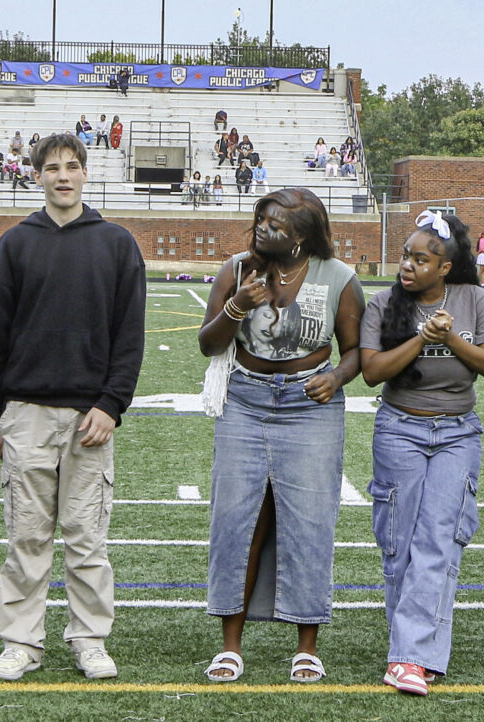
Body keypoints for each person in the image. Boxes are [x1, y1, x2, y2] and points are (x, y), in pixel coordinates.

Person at [0, 133, 145, 682]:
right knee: (26, 535)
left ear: (86, 173)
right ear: (37, 176)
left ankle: (90, 639)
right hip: (25, 411)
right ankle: (22, 642)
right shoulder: (15, 244)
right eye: (52, 168)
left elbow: (129, 337)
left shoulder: (117, 243)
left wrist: (112, 405)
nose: (63, 176)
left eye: (72, 166)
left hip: (90, 417)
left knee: (86, 536)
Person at [196, 188, 363, 685]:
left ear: (304, 234)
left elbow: (355, 351)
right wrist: (237, 307)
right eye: (261, 219)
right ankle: (230, 645)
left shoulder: (340, 278)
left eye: (277, 224)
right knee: (235, 519)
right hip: (244, 400)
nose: (264, 229)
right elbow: (208, 343)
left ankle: (306, 645)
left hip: (309, 405)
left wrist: (335, 378)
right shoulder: (236, 270)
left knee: (309, 522)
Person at [358, 211, 484, 695]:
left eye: (421, 259)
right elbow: (373, 372)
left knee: (439, 543)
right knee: (399, 546)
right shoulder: (383, 303)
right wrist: (423, 336)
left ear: (445, 267)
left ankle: (409, 658)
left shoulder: (472, 298)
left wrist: (452, 338)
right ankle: (416, 654)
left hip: (458, 432)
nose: (408, 266)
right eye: (406, 256)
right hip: (400, 428)